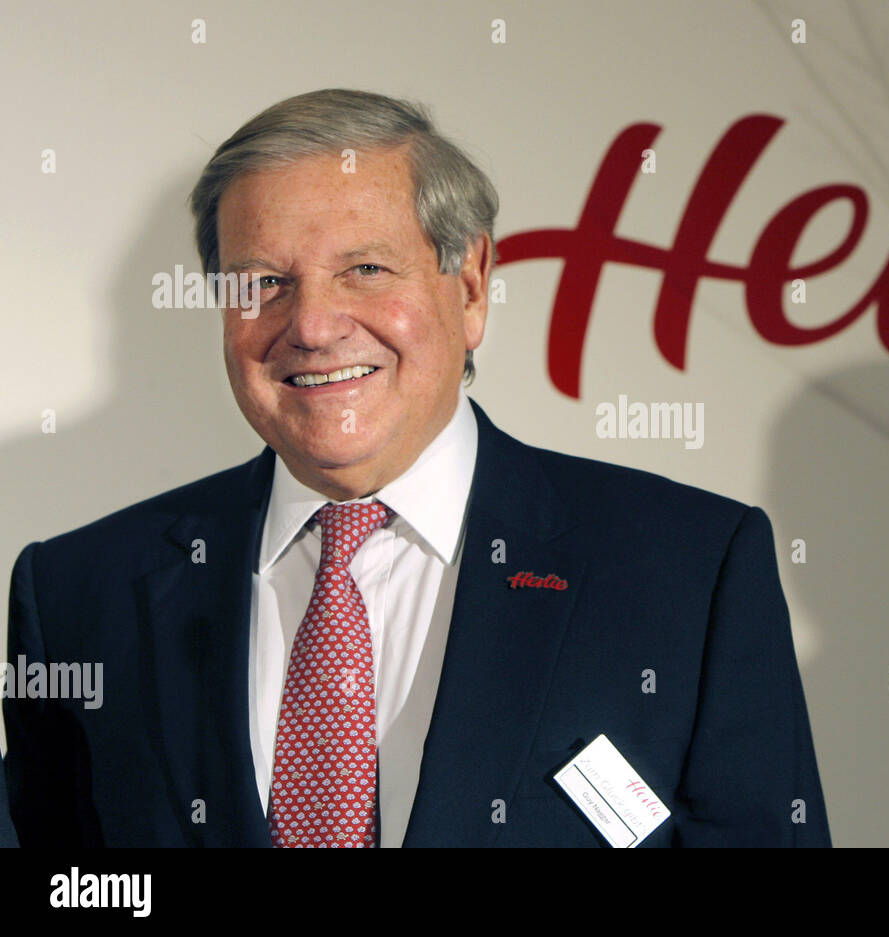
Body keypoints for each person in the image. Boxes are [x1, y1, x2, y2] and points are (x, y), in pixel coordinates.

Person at [3, 89, 831, 847]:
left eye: (366, 268)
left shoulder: (688, 570)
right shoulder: (77, 592)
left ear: (469, 285)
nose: (316, 325)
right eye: (265, 283)